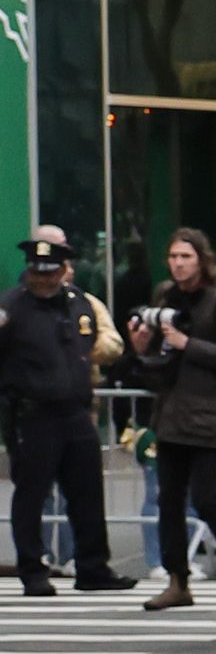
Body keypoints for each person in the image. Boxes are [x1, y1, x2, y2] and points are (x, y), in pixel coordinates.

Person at [127, 228, 216, 608]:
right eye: (173, 257)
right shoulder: (165, 299)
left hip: (212, 414)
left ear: (202, 260)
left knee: (207, 497)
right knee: (169, 500)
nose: (178, 264)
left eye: (186, 257)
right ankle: (177, 579)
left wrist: (188, 344)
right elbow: (157, 367)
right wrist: (142, 350)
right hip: (171, 413)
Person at [3, 227, 125, 595]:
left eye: (50, 272)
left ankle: (93, 567)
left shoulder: (78, 302)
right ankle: (33, 569)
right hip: (32, 414)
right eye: (36, 272)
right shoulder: (11, 308)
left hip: (75, 412)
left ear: (63, 270)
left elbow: (91, 346)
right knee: (32, 494)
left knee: (87, 492)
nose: (43, 279)